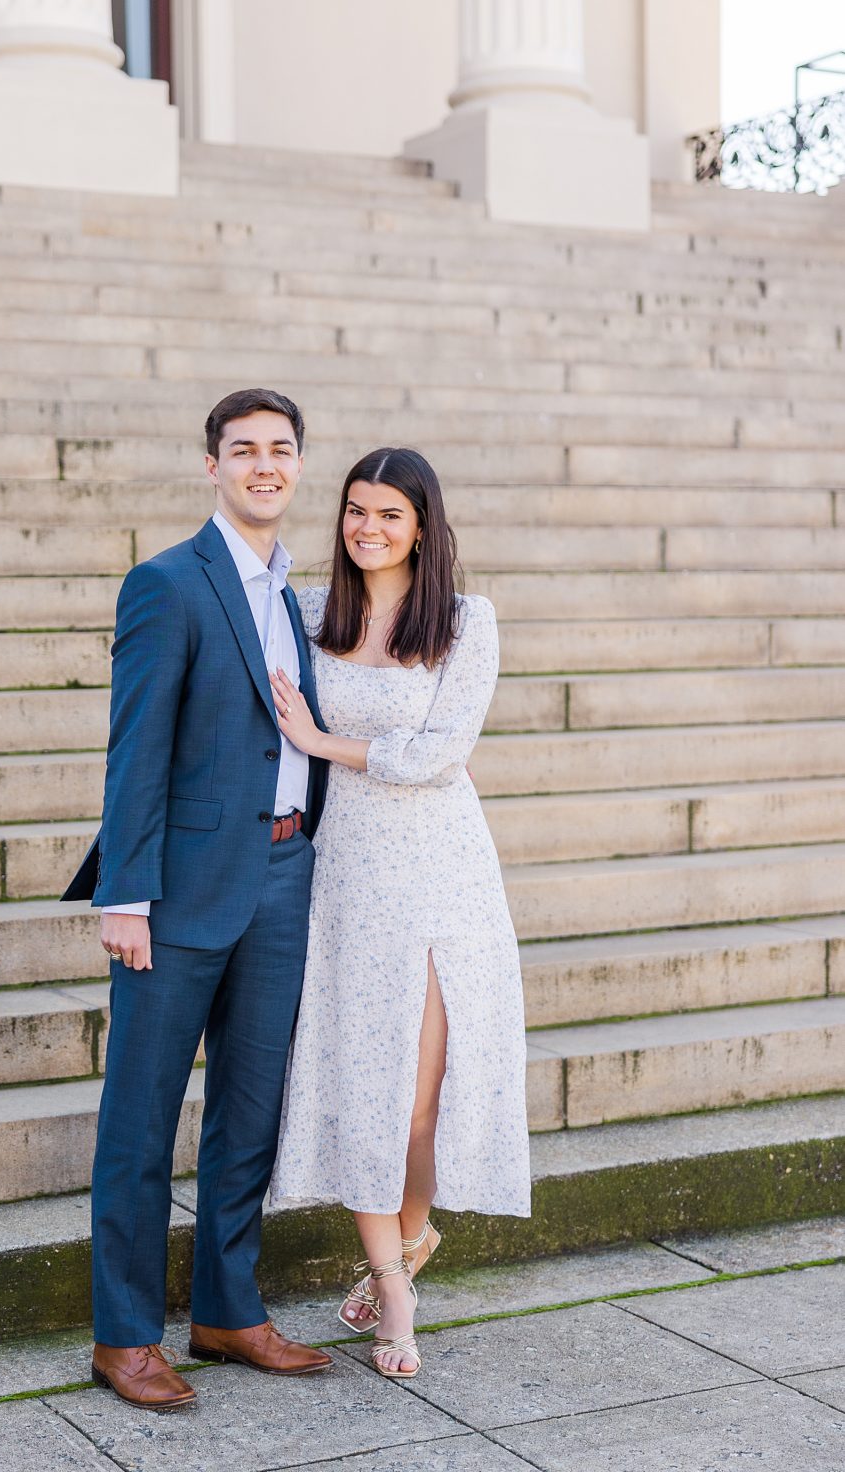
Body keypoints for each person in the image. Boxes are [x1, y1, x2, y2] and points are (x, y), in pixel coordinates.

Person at [62, 388, 333, 1412]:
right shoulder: (166, 583)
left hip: (279, 877)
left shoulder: (297, 599)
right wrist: (123, 894)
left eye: (279, 449)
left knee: (248, 1112)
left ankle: (227, 1308)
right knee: (138, 1119)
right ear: (209, 466)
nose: (262, 464)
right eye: (242, 449)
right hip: (173, 893)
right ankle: (123, 1336)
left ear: (297, 464)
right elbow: (135, 752)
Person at [269, 446, 532, 1379]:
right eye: (353, 511)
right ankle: (395, 1291)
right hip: (347, 875)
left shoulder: (465, 623)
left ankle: (404, 1247)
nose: (367, 528)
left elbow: (436, 755)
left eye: (387, 514)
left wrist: (319, 739)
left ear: (422, 524)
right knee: (364, 1082)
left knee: (421, 1097)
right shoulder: (309, 614)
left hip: (442, 869)